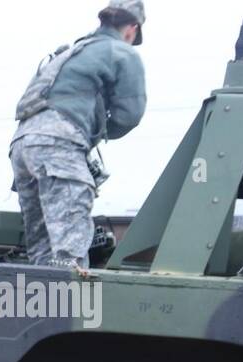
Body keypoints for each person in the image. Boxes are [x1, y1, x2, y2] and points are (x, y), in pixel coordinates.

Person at [9, 0, 147, 268]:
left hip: (22, 144)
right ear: (132, 29)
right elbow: (129, 115)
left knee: (42, 250)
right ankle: (67, 310)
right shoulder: (121, 52)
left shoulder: (71, 51)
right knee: (69, 256)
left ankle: (41, 308)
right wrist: (101, 132)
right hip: (58, 145)